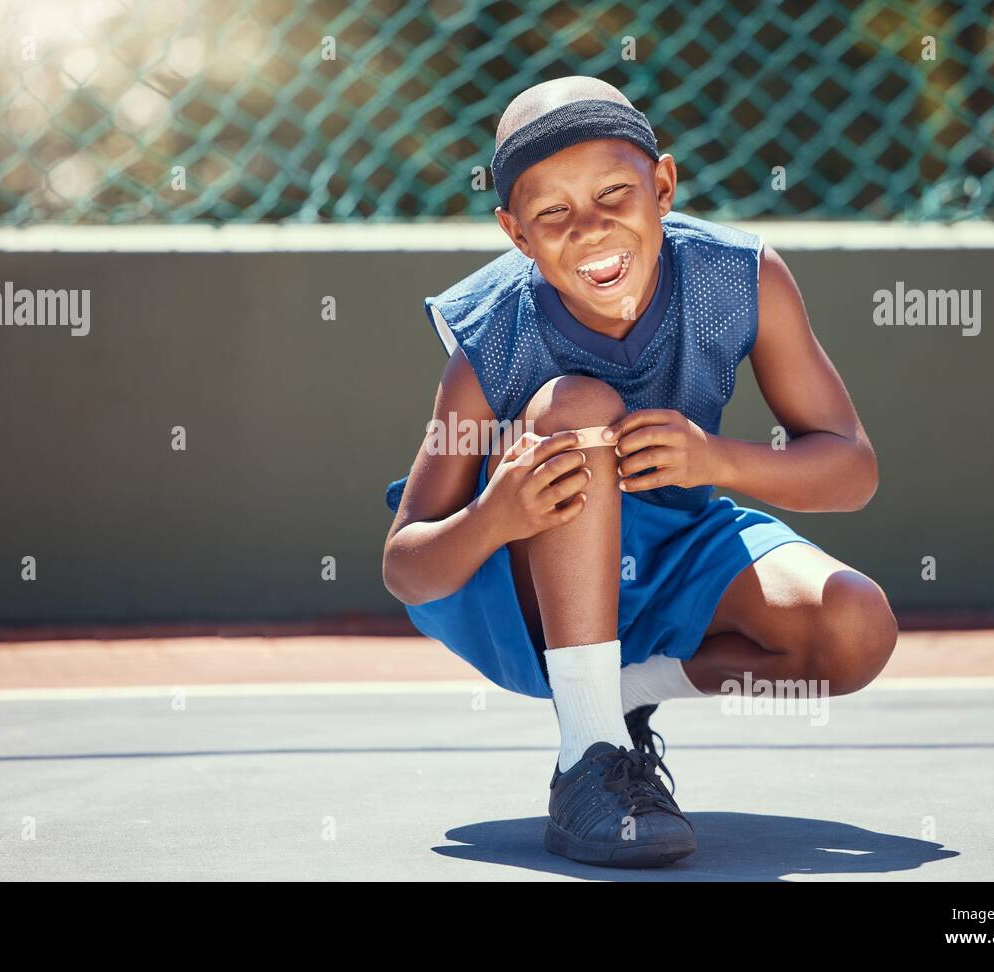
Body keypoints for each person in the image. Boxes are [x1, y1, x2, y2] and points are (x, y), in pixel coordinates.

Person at [382, 75, 898, 868]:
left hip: (676, 549)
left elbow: (851, 468)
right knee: (576, 407)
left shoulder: (741, 278)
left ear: (663, 186)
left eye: (615, 194)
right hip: (524, 591)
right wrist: (498, 515)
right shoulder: (492, 334)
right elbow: (406, 566)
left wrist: (716, 458)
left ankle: (626, 695)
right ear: (516, 234)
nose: (589, 229)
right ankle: (586, 754)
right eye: (552, 213)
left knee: (856, 629)